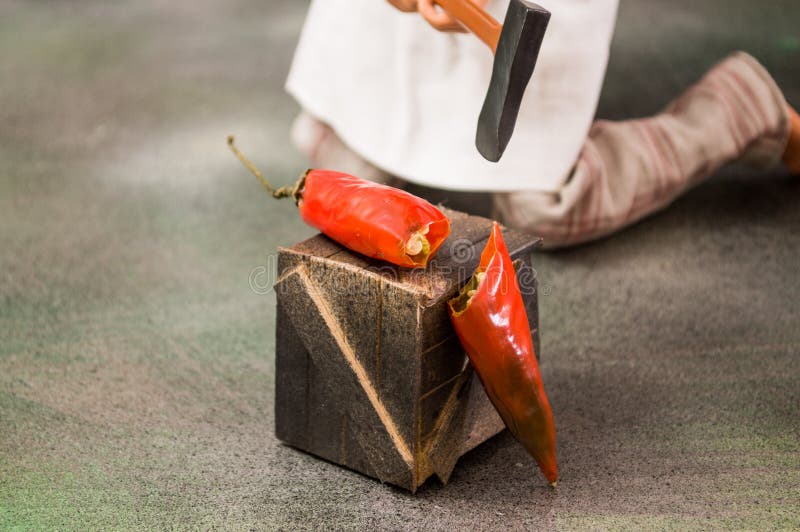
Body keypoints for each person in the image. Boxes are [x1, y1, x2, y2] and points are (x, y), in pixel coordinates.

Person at [285, 0, 800, 248]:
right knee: (341, 161)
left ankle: (736, 109)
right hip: (382, 31)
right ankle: (370, 124)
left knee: (546, 209)